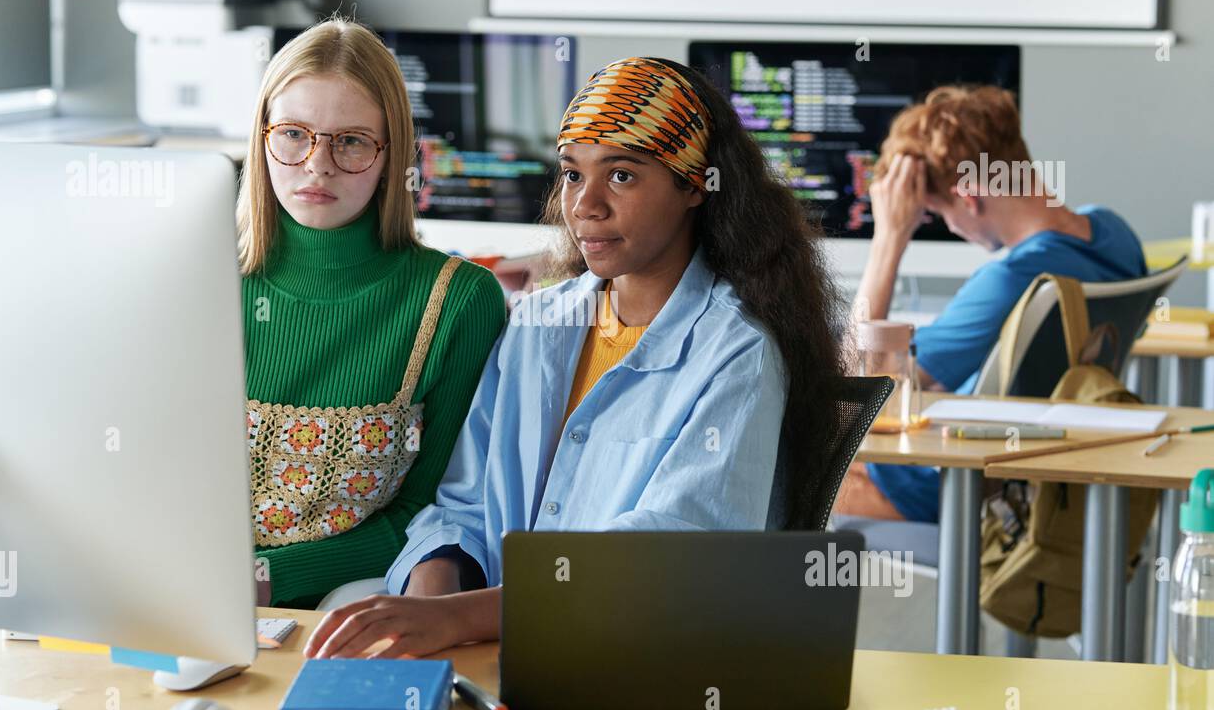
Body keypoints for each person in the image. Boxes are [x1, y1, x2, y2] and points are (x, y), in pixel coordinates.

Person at [304, 55, 844, 660]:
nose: (586, 205)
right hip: (502, 656)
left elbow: (669, 558)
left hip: (637, 666)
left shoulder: (737, 353)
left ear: (695, 185)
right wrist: (432, 598)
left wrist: (461, 618)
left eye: (621, 176)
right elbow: (464, 504)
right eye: (571, 174)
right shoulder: (538, 323)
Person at [238, 17, 506, 608]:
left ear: (392, 156)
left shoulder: (458, 301)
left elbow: (429, 514)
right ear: (261, 136)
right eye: (292, 133)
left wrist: (260, 579)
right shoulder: (193, 271)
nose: (317, 164)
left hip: (342, 606)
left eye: (352, 141)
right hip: (175, 601)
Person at [835, 85, 1147, 523]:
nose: (951, 226)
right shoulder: (1114, 232)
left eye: (940, 214)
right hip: (1034, 468)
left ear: (969, 197)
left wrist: (888, 240)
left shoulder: (1013, 279)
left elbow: (854, 388)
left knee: (794, 463)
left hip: (948, 482)